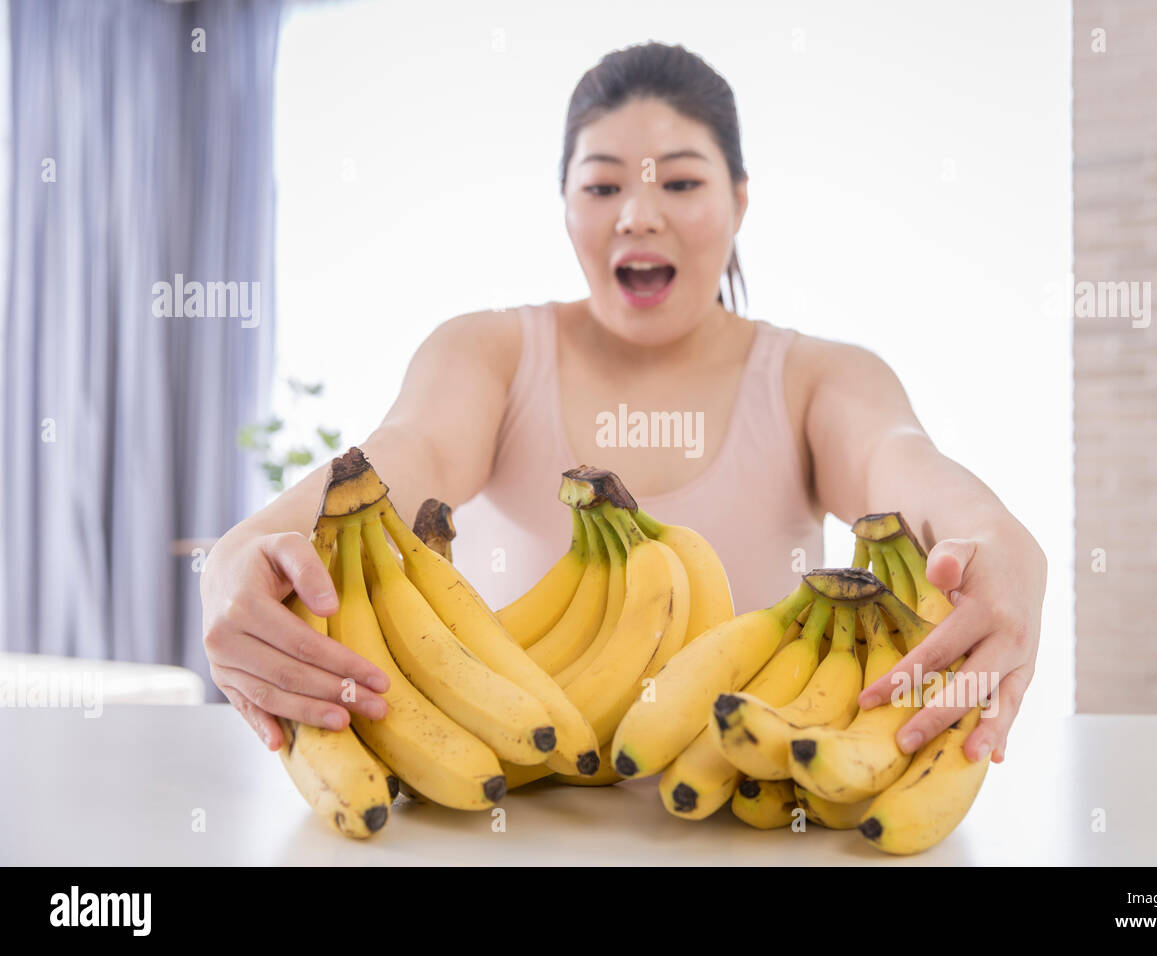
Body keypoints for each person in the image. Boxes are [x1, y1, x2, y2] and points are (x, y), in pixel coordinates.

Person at [200, 41, 1047, 769]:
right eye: (602, 188)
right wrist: (241, 549)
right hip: (517, 813)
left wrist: (1001, 537)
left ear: (739, 200)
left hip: (754, 823)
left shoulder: (821, 378)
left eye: (680, 184)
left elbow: (903, 460)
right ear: (564, 202)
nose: (638, 216)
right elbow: (406, 450)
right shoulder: (488, 354)